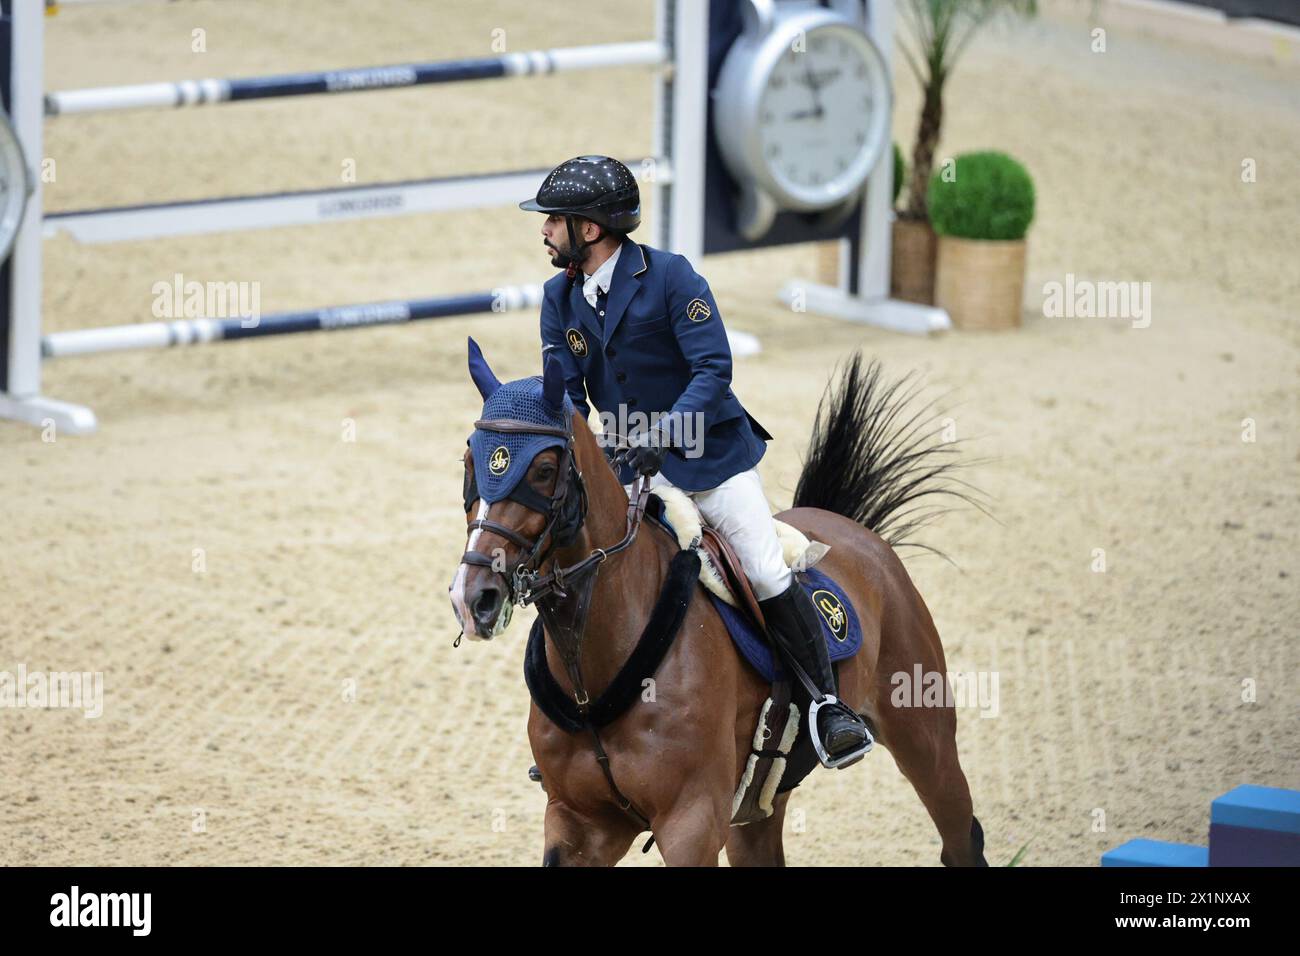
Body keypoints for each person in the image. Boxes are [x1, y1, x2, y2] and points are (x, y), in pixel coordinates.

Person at [519, 155, 871, 767]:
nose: (544, 230)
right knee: (583, 563)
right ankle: (578, 715)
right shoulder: (558, 298)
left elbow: (714, 369)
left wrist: (666, 432)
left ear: (592, 229)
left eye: (555, 220)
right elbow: (570, 393)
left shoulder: (672, 278)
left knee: (762, 568)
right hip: (627, 465)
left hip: (710, 456)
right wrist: (589, 451)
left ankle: (824, 707)